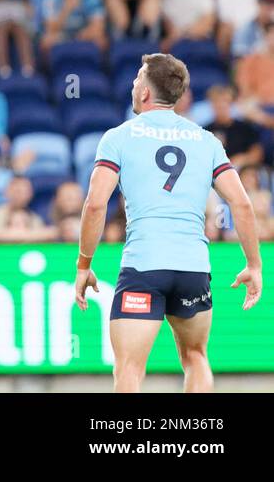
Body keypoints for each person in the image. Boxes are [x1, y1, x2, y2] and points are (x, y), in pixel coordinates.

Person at [76, 53, 263, 392]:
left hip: (144, 267)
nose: (133, 85)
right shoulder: (206, 140)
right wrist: (254, 264)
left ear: (145, 92)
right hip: (193, 269)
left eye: (136, 79)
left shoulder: (119, 137)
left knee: (129, 368)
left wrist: (83, 265)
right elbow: (242, 204)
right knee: (196, 357)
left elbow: (94, 205)